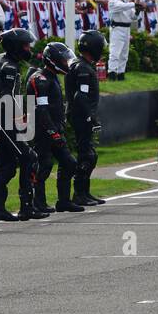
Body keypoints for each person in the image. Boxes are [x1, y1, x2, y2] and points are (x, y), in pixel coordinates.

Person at [0, 28, 44, 221]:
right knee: (29, 157)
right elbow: (7, 97)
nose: (29, 49)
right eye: (26, 45)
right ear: (15, 47)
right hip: (4, 120)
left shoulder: (1, 62)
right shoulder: (10, 67)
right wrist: (17, 117)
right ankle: (26, 207)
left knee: (8, 164)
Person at [26, 41, 83, 214]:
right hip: (42, 130)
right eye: (64, 60)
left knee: (69, 163)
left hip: (55, 129)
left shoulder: (53, 78)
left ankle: (64, 201)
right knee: (44, 165)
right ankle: (37, 202)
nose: (67, 63)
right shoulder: (40, 79)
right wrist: (52, 131)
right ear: (54, 60)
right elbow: (41, 109)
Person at [67, 29, 106, 206]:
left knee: (89, 155)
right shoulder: (82, 68)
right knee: (87, 155)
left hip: (82, 116)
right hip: (81, 117)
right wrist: (91, 117)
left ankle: (85, 192)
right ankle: (79, 194)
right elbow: (80, 97)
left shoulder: (83, 65)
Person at [106, 0, 140, 80]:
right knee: (115, 52)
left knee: (124, 54)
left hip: (126, 28)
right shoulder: (113, 1)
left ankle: (121, 73)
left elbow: (133, 17)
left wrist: (138, 11)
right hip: (117, 28)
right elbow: (121, 7)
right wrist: (134, 4)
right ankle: (112, 73)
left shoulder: (126, 2)